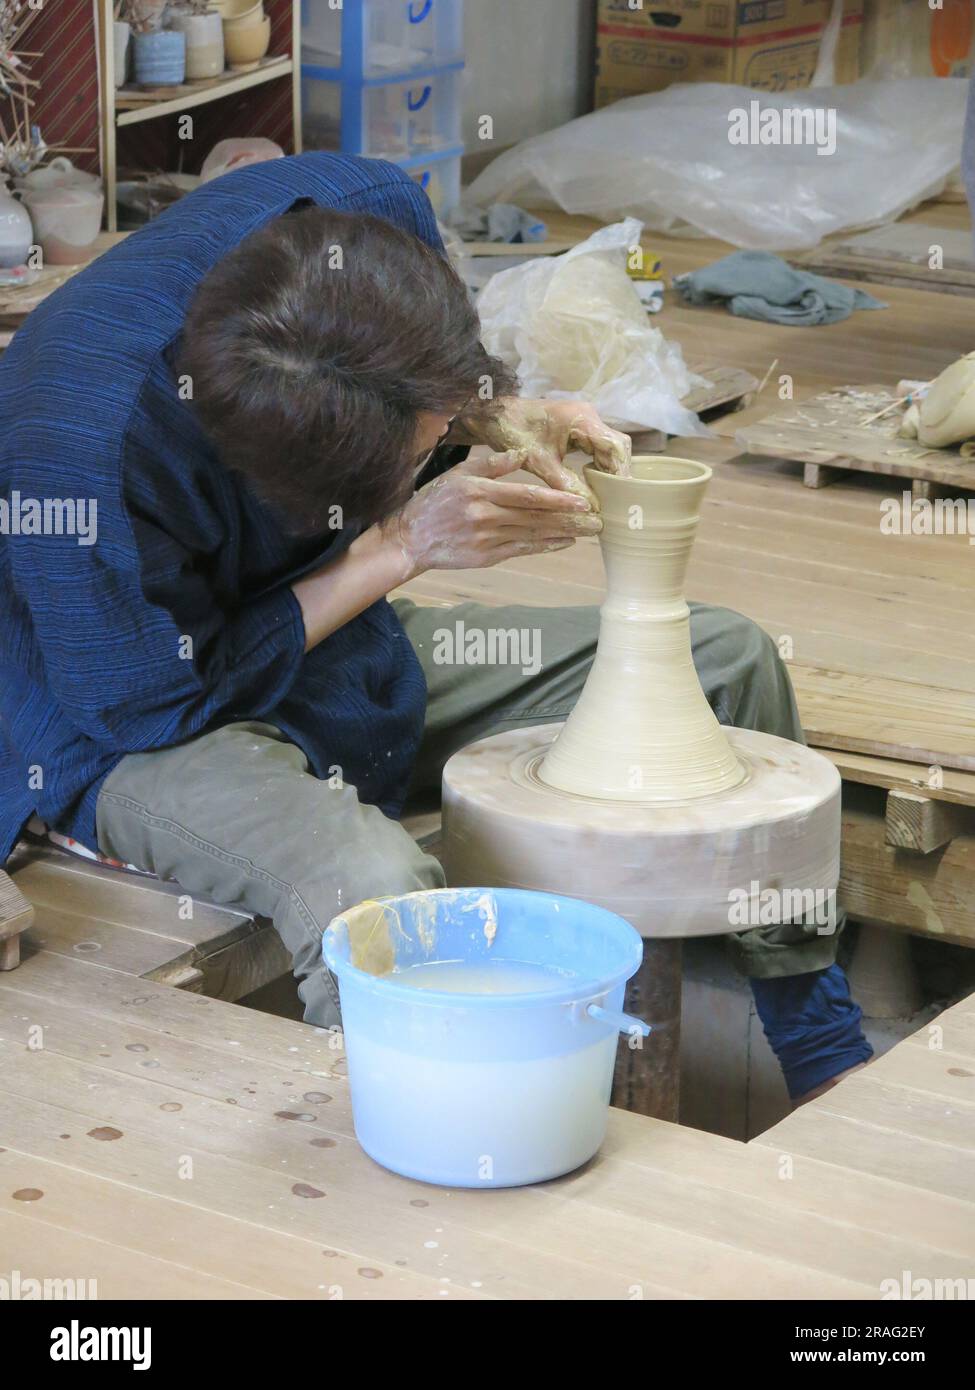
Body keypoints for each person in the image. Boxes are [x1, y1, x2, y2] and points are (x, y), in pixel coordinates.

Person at [0, 152, 870, 1103]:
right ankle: (427, 1170)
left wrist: (491, 410)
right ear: (314, 481)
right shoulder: (74, 448)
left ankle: (818, 1049)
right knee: (371, 881)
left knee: (726, 657)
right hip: (119, 711)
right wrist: (399, 546)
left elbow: (413, 369)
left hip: (319, 637)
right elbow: (150, 703)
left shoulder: (365, 211)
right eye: (417, 452)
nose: (440, 446)